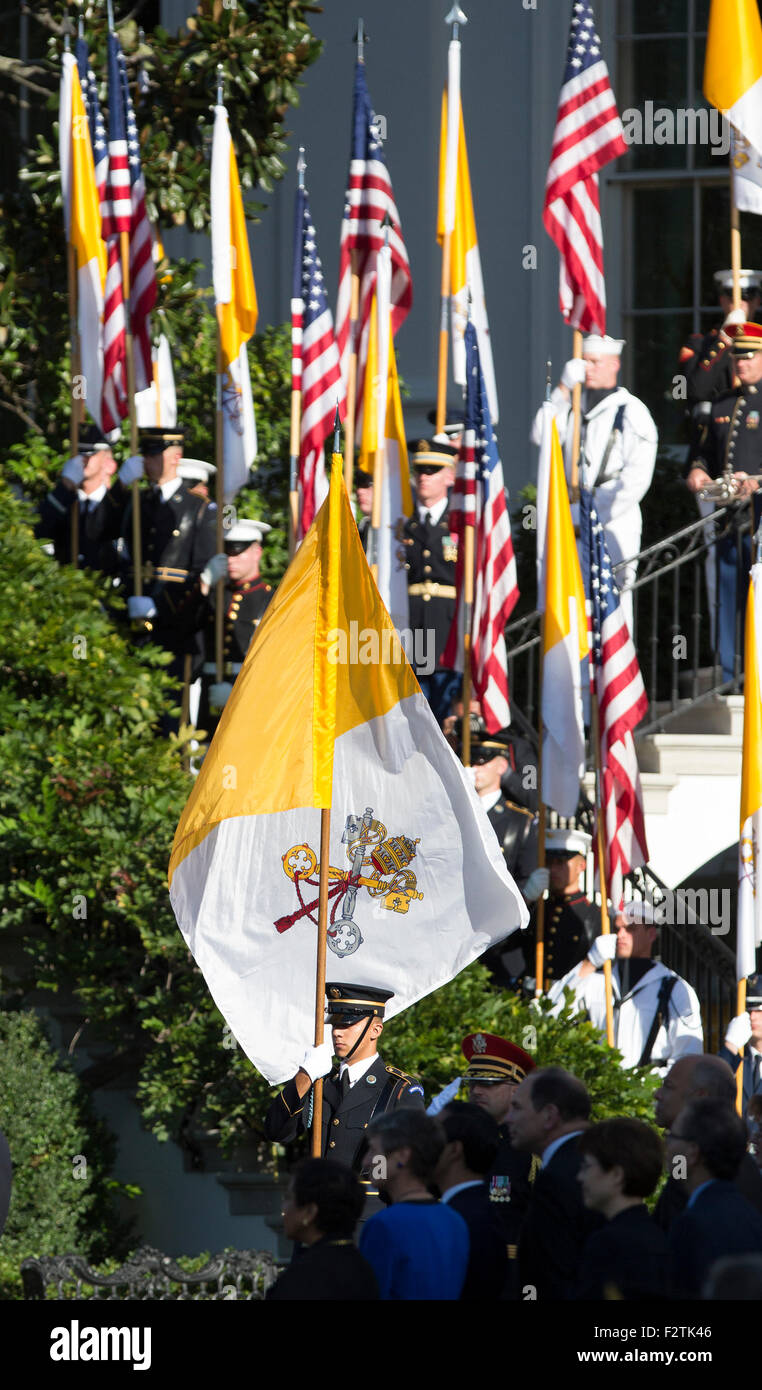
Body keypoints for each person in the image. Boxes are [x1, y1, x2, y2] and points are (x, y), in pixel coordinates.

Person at [531, 334, 657, 633]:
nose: (588, 368)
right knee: (570, 607)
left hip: (613, 520)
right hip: (570, 518)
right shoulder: (574, 405)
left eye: (595, 362)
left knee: (612, 607)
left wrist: (591, 509)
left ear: (615, 364)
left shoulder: (631, 410)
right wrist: (562, 388)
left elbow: (636, 479)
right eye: (584, 361)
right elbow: (540, 435)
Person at [263, 983, 424, 1190]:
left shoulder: (398, 1089)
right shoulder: (321, 1082)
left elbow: (411, 1162)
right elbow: (276, 1131)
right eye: (335, 1025)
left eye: (347, 1025)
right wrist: (305, 1074)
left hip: (367, 1215)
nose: (337, 1033)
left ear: (375, 1030)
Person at [686, 322, 762, 681]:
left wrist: (757, 481)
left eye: (749, 358)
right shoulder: (723, 403)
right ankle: (732, 672)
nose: (741, 364)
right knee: (728, 590)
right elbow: (703, 453)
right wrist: (698, 471)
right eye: (737, 358)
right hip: (728, 514)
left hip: (759, 512)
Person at [550, 899, 703, 1069]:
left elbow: (689, 1057)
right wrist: (589, 963)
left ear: (651, 934)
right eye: (617, 928)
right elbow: (550, 1013)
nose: (620, 935)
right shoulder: (596, 980)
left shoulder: (675, 988)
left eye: (630, 928)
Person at [507, 1066, 601, 1300]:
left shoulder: (559, 1177)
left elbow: (552, 1275)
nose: (509, 1119)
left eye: (517, 1108)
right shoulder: (592, 1160)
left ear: (549, 1115)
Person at [359, 1108, 470, 1299]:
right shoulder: (455, 1219)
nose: (367, 1161)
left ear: (402, 1156)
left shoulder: (384, 1225)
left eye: (374, 1151)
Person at [176, 517, 273, 733]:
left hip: (250, 693)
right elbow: (183, 629)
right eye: (227, 553)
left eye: (238, 552)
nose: (231, 560)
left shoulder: (271, 599)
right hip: (210, 689)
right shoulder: (213, 594)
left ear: (257, 551)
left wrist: (240, 692)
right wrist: (204, 583)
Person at [652, 1052, 762, 1230]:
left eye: (668, 1087)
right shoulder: (683, 1159)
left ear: (701, 1096)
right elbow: (676, 1190)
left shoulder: (731, 1169)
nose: (658, 1094)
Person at [667, 1097, 762, 1298]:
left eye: (672, 1137)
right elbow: (679, 1177)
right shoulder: (750, 1214)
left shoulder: (691, 1225)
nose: (667, 1145)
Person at [397, 437, 459, 723]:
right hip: (411, 632)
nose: (424, 477)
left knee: (446, 719)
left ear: (449, 475)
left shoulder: (460, 521)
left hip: (447, 629)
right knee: (413, 721)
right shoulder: (401, 522)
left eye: (432, 470)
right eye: (420, 470)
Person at [575, 1118, 670, 1299]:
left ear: (617, 1175)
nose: (580, 1177)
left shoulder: (607, 1244)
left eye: (587, 1167)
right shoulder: (657, 1236)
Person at [265, 1158, 379, 1301]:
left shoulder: (304, 1279)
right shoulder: (364, 1270)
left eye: (289, 1198)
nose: (284, 1209)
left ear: (309, 1212)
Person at [435, 1101, 508, 1300]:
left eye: (433, 1135)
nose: (424, 1144)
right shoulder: (472, 1210)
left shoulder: (460, 1219)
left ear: (454, 1150)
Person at [521, 827, 600, 988]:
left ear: (581, 866)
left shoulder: (594, 914)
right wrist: (526, 899)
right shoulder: (536, 908)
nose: (553, 869)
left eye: (561, 863)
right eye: (549, 863)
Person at [35, 426, 119, 573]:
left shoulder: (116, 505)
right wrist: (65, 486)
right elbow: (38, 530)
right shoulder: (62, 502)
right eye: (79, 454)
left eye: (90, 454)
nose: (83, 460)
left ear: (109, 463)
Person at [466, 731, 538, 891]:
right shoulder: (457, 812)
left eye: (480, 761)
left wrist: (507, 775)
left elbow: (531, 792)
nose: (474, 768)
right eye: (471, 762)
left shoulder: (521, 748)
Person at [719, 973, 762, 1115]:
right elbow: (711, 1085)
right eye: (748, 1010)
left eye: (759, 1009)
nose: (752, 1016)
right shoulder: (733, 1058)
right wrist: (730, 1047)